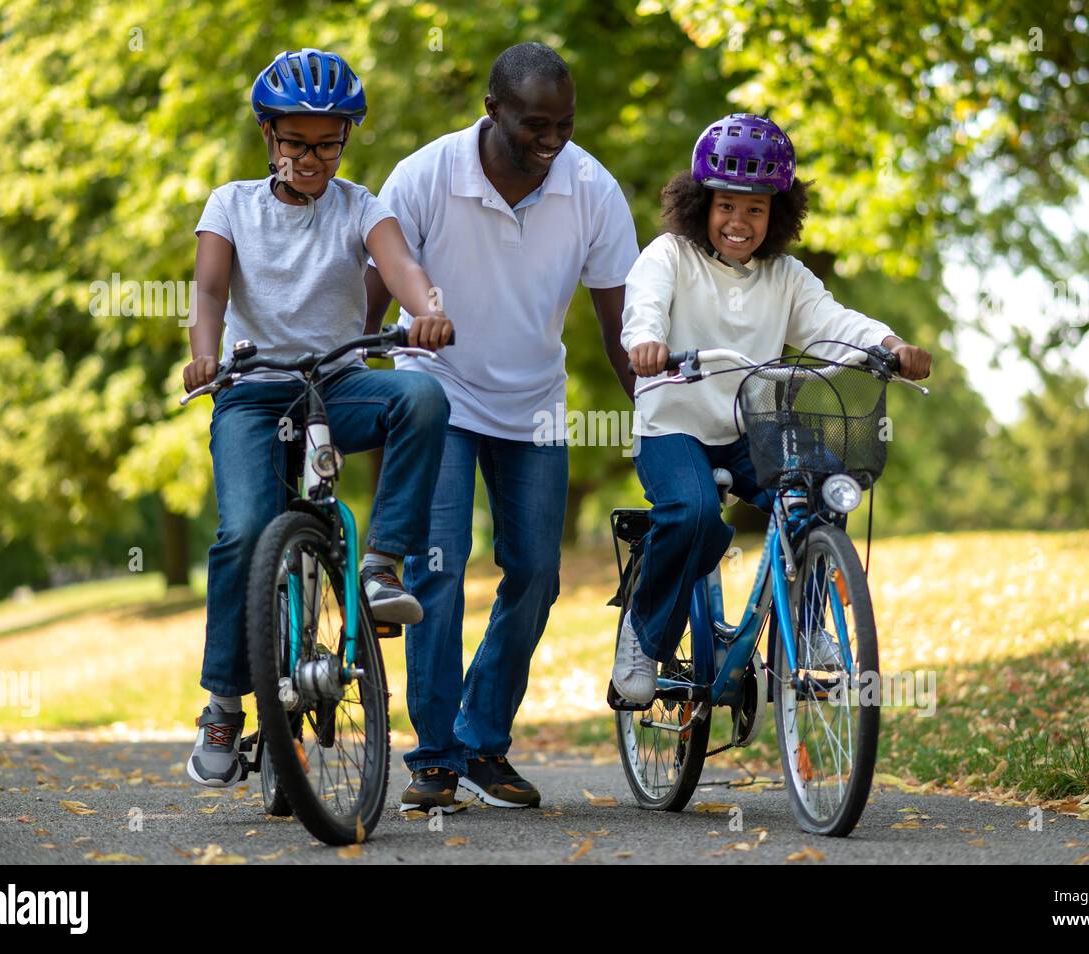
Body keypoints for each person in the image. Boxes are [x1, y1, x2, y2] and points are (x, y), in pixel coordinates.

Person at [364, 42, 639, 812]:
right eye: (535, 124)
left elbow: (622, 327)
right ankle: (435, 758)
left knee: (536, 576)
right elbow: (374, 291)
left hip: (536, 405)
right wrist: (349, 390)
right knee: (437, 573)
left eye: (565, 123)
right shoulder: (423, 176)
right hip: (437, 395)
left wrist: (658, 410)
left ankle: (483, 739)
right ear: (492, 111)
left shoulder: (591, 187)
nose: (552, 140)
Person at [183, 49, 453, 788]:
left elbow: (399, 266)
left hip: (336, 385)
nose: (312, 157)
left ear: (345, 139)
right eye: (296, 141)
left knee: (423, 397)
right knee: (243, 532)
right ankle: (222, 702)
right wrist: (205, 356)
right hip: (252, 391)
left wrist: (427, 310)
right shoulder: (230, 205)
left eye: (327, 142)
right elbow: (208, 294)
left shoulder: (361, 205)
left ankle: (379, 565)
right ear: (269, 136)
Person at [611, 113, 933, 704]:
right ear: (701, 203)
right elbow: (645, 307)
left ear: (777, 214)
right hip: (673, 424)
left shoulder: (784, 276)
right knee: (695, 515)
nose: (739, 222)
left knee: (821, 481)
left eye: (756, 209)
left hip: (748, 425)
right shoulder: (670, 256)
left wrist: (889, 346)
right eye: (727, 206)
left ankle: (808, 627)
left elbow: (832, 324)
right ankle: (643, 633)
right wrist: (645, 344)